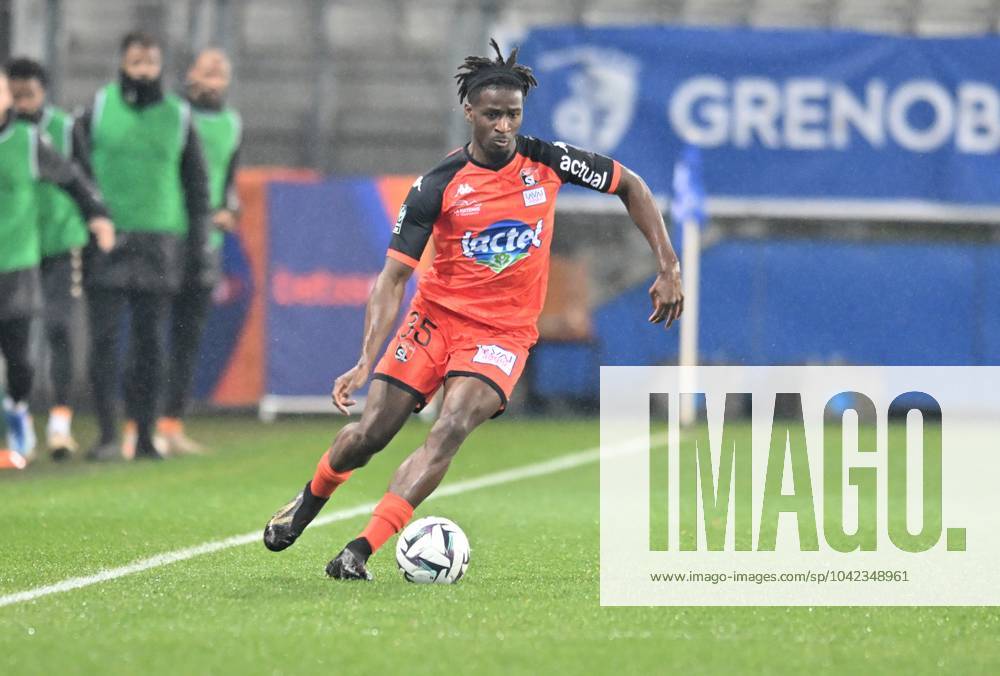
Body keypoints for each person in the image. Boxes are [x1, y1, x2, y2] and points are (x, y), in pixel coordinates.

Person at [263, 41, 684, 579]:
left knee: (453, 424)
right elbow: (393, 277)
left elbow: (632, 185)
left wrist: (668, 265)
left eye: (513, 114)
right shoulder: (436, 186)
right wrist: (366, 360)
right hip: (435, 321)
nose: (504, 126)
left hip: (503, 334)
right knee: (370, 435)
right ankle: (309, 500)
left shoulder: (548, 160)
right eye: (492, 115)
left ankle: (359, 549)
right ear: (469, 113)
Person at [72, 31, 212, 461]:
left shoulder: (180, 116)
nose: (144, 71)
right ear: (122, 63)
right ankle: (108, 435)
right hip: (108, 241)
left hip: (161, 244)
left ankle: (147, 435)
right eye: (136, 63)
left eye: (151, 63)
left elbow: (197, 187)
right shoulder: (95, 110)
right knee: (105, 343)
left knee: (151, 345)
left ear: (161, 66)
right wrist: (90, 223)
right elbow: (76, 175)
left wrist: (197, 247)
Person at [0, 66, 114, 467]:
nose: (20, 100)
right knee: (19, 345)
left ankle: (56, 423)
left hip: (51, 249)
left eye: (25, 93)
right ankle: (20, 423)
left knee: (53, 331)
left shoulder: (49, 133)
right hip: (26, 247)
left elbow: (78, 177)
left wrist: (97, 215)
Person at [154, 47, 241, 455]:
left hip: (207, 243)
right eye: (207, 72)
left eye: (220, 73)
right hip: (169, 237)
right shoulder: (172, 115)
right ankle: (141, 424)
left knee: (188, 339)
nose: (213, 80)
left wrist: (230, 209)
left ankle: (172, 424)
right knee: (152, 335)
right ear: (190, 75)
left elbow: (229, 182)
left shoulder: (231, 123)